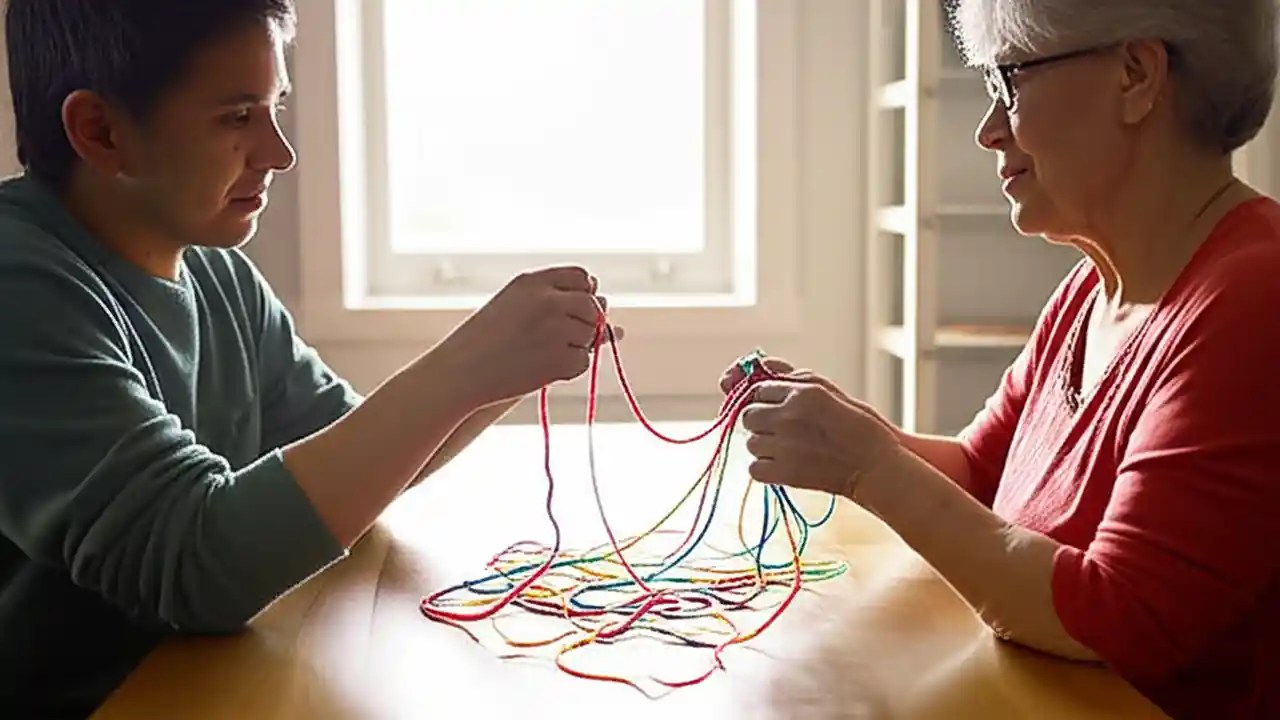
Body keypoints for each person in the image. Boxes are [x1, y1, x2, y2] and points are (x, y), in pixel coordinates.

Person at [0, 0, 618, 716]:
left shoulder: (214, 273)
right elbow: (197, 567)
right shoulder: (20, 285)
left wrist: (512, 366)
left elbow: (352, 462)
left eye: (274, 109)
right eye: (236, 118)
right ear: (100, 131)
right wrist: (466, 367)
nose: (279, 153)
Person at [722, 1, 1280, 717]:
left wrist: (867, 465)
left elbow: (1120, 617)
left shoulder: (1253, 298)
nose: (988, 131)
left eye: (1009, 82)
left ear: (1137, 76)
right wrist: (843, 430)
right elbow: (983, 478)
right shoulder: (1093, 288)